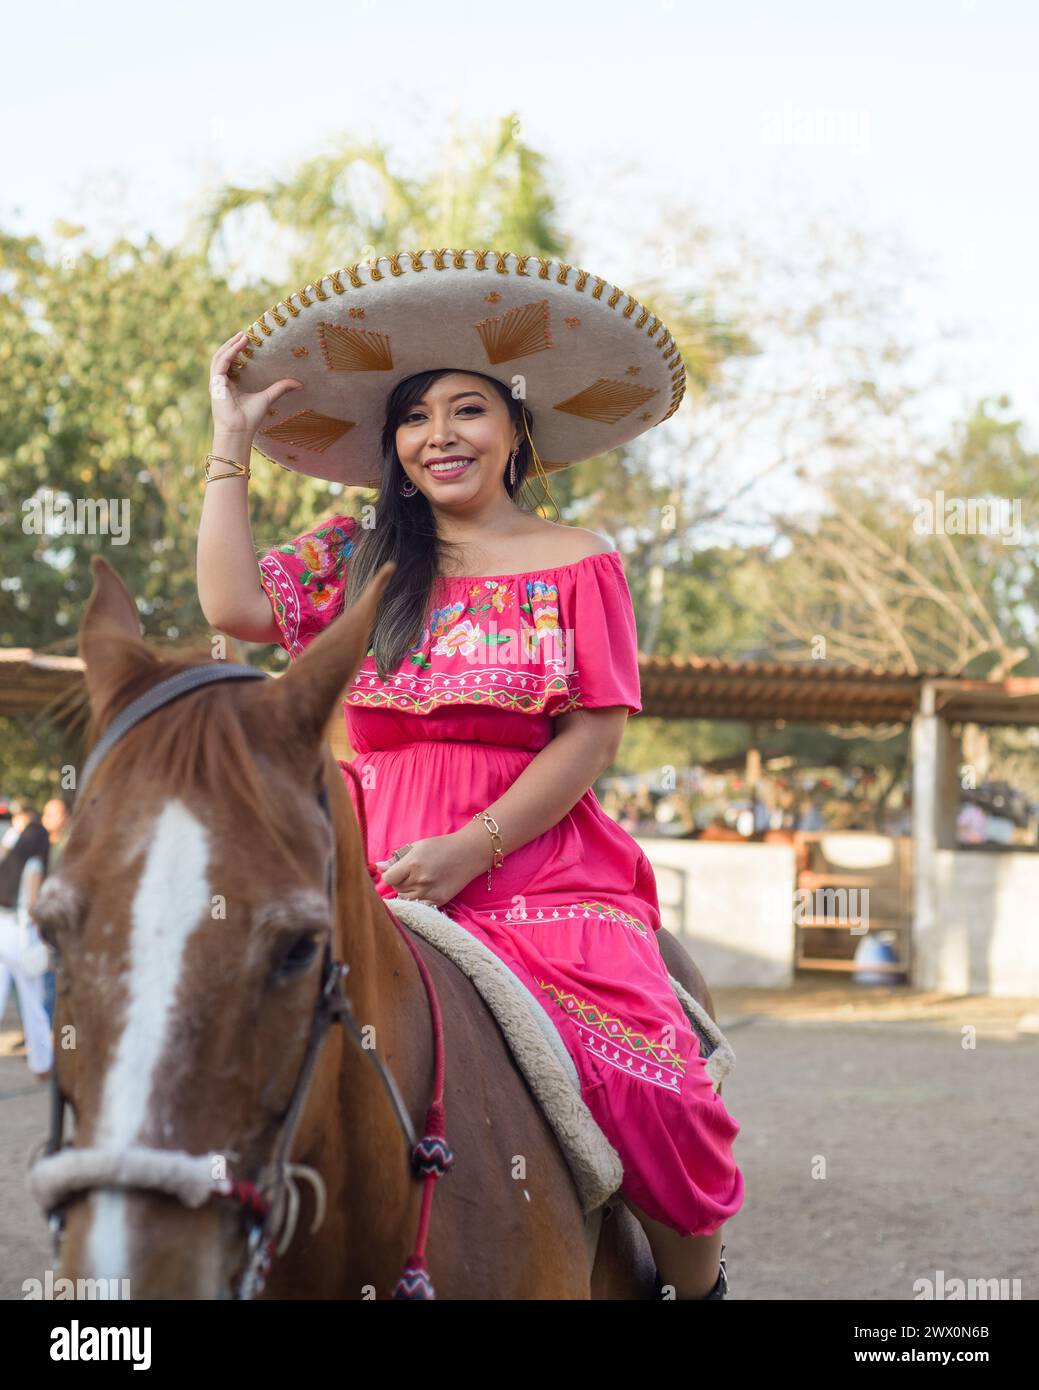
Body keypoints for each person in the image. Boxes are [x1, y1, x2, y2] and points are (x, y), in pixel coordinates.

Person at [197, 249, 743, 1299]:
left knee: (666, 1093)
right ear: (393, 450)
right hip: (364, 853)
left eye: (467, 410)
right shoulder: (359, 555)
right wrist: (233, 439)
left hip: (535, 863)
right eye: (414, 418)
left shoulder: (577, 556)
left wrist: (471, 847)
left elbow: (589, 737)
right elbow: (229, 605)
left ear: (515, 433)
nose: (438, 434)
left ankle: (699, 1294)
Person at [0, 802, 54, 1079]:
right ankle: (43, 1063)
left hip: (2, 927)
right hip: (22, 933)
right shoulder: (33, 863)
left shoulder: (9, 857)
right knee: (33, 1002)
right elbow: (33, 904)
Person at [39, 798, 71, 1025]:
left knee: (57, 978)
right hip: (46, 920)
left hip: (62, 921)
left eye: (53, 814)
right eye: (46, 814)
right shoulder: (44, 842)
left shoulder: (70, 844)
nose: (47, 819)